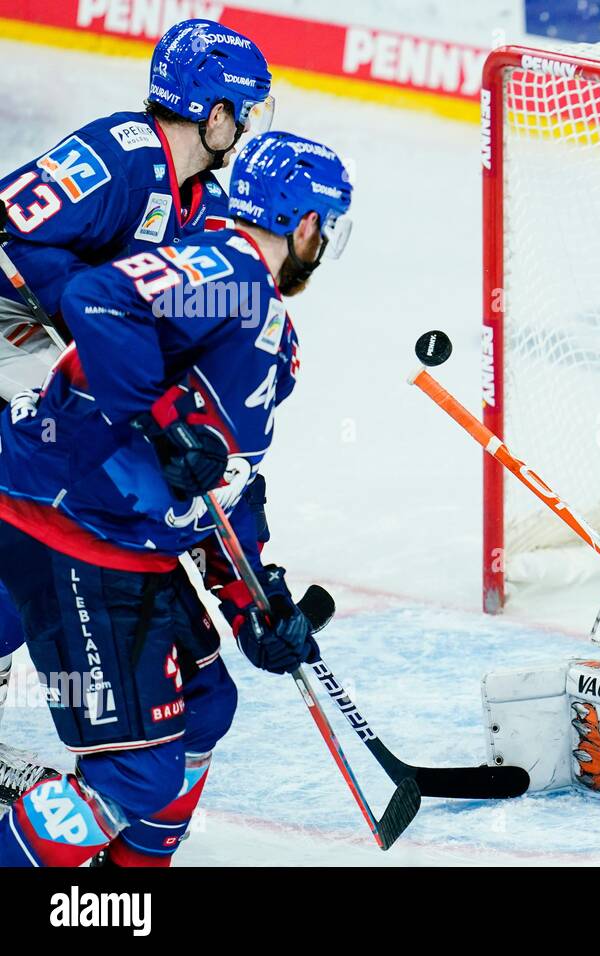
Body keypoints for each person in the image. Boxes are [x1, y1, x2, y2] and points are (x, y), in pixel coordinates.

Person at [0, 129, 353, 866]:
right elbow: (99, 296)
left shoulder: (267, 329)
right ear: (308, 224)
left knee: (205, 707)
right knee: (136, 771)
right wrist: (154, 419)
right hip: (71, 527)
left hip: (120, 541)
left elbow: (226, 482)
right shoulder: (225, 270)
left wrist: (258, 602)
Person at [0, 17, 274, 802]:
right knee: (58, 469)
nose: (245, 124)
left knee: (45, 512)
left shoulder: (202, 198)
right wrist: (84, 319)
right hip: (6, 319)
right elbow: (14, 232)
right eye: (241, 109)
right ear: (214, 112)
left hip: (49, 337)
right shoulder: (122, 150)